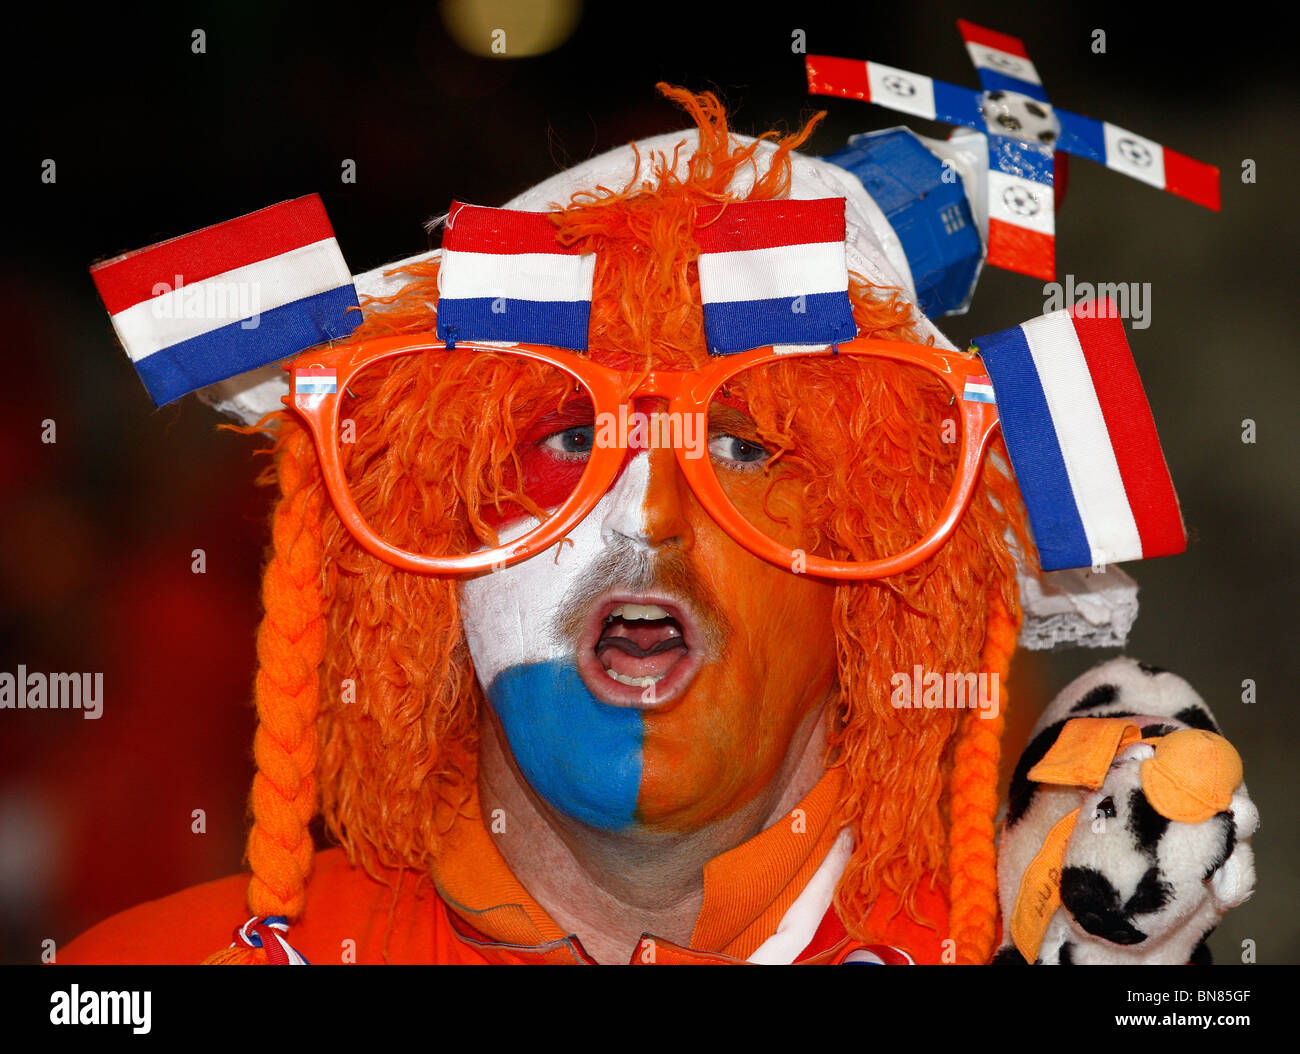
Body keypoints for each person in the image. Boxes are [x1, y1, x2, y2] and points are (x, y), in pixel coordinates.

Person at [60, 86, 1254, 966]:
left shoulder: (1038, 948)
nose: (650, 518)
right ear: (424, 560)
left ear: (882, 582)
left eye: (745, 444)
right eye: (568, 440)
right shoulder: (150, 971)